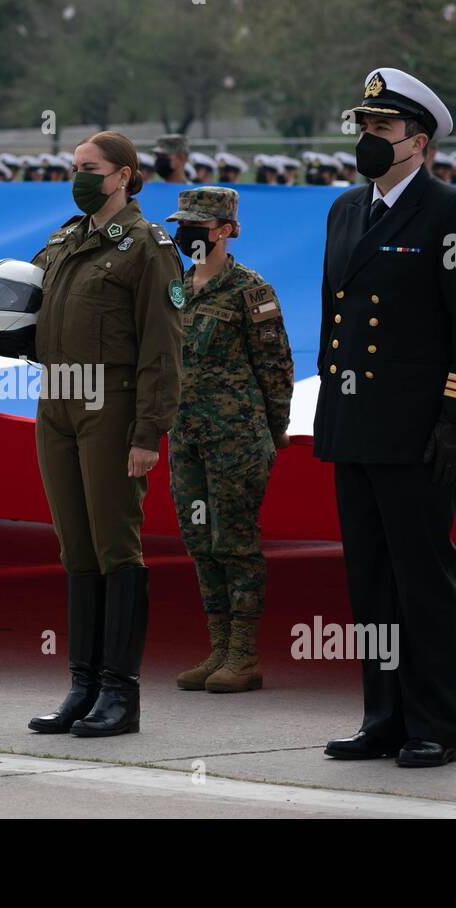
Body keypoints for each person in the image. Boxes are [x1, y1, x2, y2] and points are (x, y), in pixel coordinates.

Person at [315, 68, 456, 768]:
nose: (367, 138)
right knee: (369, 580)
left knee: (421, 581)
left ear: (417, 141)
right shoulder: (343, 212)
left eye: (382, 128)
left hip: (421, 430)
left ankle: (432, 725)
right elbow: (335, 318)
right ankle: (382, 717)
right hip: (355, 425)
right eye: (363, 126)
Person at [16, 130, 183, 737]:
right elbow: (30, 310)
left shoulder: (147, 246)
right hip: (57, 398)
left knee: (116, 546)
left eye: (90, 168)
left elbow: (163, 349)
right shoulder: (66, 238)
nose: (78, 176)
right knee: (76, 549)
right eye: (73, 166)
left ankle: (120, 692)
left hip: (109, 402)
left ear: (123, 175)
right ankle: (82, 687)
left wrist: (148, 433)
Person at [165, 187, 293, 693]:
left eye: (196, 225)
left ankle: (243, 654)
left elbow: (276, 366)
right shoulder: (175, 285)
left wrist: (274, 428)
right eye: (182, 224)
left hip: (236, 437)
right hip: (186, 436)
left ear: (223, 230)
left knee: (234, 542)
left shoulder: (249, 290)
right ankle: (217, 646)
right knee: (199, 542)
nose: (185, 233)